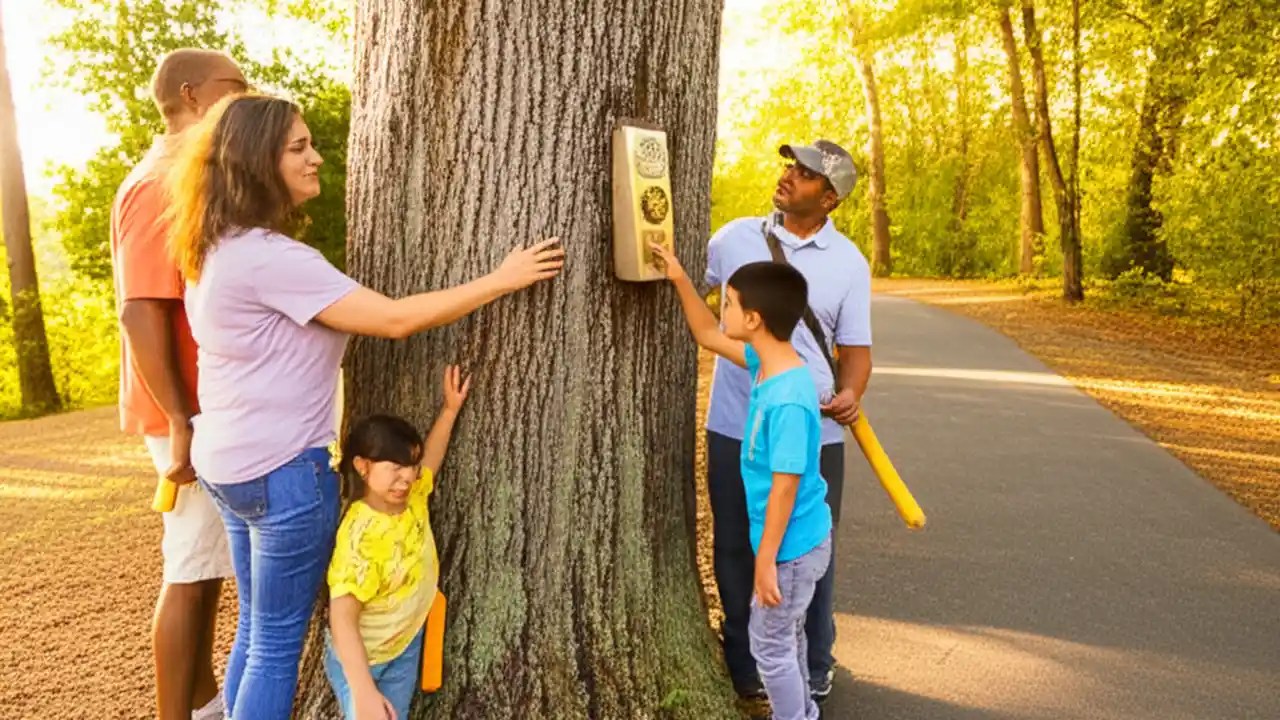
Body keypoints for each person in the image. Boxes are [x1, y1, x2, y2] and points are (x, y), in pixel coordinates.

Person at [165, 93, 564, 720]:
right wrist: (502, 279)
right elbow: (396, 320)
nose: (316, 157)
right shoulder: (271, 259)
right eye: (298, 148)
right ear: (257, 164)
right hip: (281, 471)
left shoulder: (211, 247)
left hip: (228, 464)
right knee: (273, 644)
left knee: (256, 629)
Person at [703, 140, 872, 702]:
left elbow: (855, 352)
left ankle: (814, 664)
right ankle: (746, 667)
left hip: (813, 434)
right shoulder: (732, 239)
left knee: (804, 550)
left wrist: (850, 392)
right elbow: (708, 319)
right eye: (789, 167)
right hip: (735, 427)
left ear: (830, 198)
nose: (788, 177)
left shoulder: (849, 263)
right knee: (734, 547)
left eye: (804, 175)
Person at [109, 48, 248, 720]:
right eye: (235, 86)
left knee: (207, 567)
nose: (246, 95)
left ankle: (205, 707)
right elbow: (140, 309)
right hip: (184, 414)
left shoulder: (193, 175)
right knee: (188, 573)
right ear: (192, 94)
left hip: (205, 407)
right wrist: (181, 420)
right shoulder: (156, 182)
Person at [652, 244, 832, 720]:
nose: (722, 309)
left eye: (728, 302)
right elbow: (707, 334)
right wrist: (678, 278)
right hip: (789, 545)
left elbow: (785, 486)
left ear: (753, 319)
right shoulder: (766, 363)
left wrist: (767, 561)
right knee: (785, 636)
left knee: (769, 646)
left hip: (791, 548)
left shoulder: (789, 397)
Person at [323, 366, 468, 720]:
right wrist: (363, 690)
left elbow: (431, 458)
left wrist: (449, 411)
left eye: (411, 467)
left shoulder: (413, 497)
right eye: (394, 467)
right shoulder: (361, 537)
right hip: (363, 660)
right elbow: (342, 618)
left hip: (404, 643)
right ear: (363, 466)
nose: (406, 477)